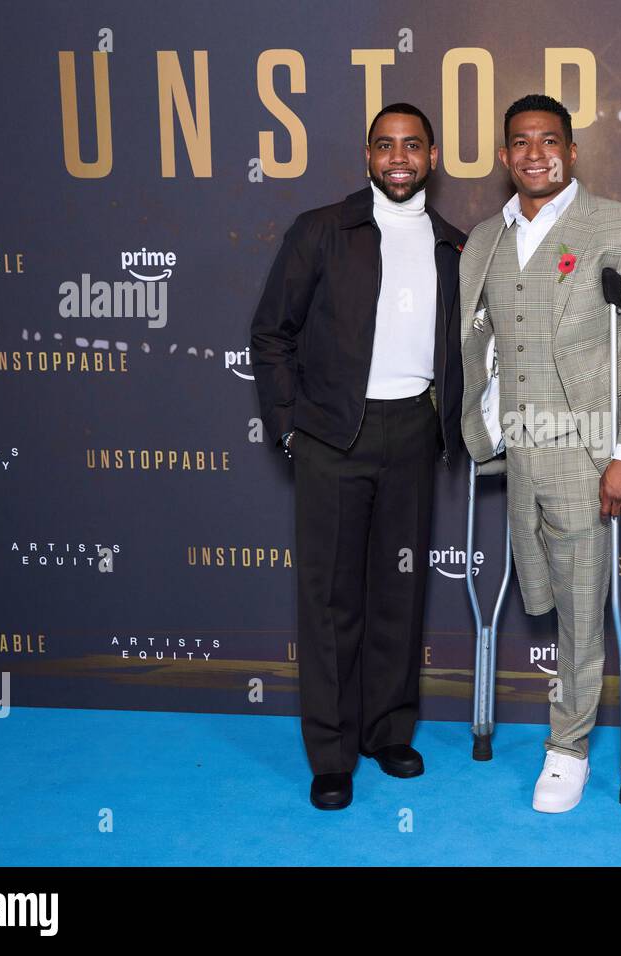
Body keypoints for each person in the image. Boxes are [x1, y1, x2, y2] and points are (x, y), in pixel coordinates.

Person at [459, 94, 621, 813]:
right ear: (504, 157)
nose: (534, 153)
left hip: (588, 450)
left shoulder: (620, 225)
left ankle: (569, 747)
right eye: (519, 142)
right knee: (540, 593)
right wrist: (481, 427)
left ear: (572, 150)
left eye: (549, 140)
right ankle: (556, 732)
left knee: (584, 609)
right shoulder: (486, 238)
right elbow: (481, 340)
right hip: (519, 449)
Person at [251, 103, 467, 810]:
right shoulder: (323, 230)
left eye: (411, 146)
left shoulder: (452, 245)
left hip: (413, 431)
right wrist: (290, 428)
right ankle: (332, 751)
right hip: (333, 437)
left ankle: (388, 731)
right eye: (385, 146)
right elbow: (272, 333)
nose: (398, 158)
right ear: (367, 156)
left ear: (432, 156)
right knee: (331, 599)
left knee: (398, 595)